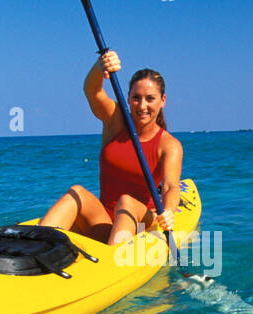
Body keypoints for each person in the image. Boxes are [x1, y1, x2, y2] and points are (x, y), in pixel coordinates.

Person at [40, 50, 182, 246]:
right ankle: (36, 247)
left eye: (150, 98)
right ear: (128, 98)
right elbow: (92, 91)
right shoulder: (115, 121)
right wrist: (100, 68)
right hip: (104, 221)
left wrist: (168, 211)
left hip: (142, 222)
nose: (142, 106)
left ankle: (114, 263)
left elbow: (170, 186)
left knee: (126, 201)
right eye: (136, 97)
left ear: (162, 100)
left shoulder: (169, 144)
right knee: (76, 192)